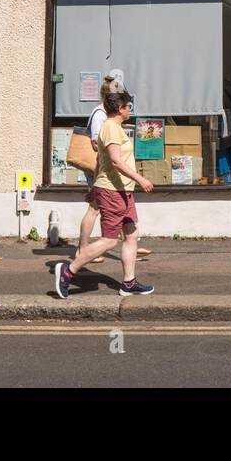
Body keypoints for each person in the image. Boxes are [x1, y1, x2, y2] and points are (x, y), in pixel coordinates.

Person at [54, 90, 155, 297]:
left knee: (131, 234)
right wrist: (141, 179)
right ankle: (68, 271)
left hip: (121, 190)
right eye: (128, 107)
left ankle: (129, 283)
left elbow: (101, 160)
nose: (130, 110)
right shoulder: (110, 128)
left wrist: (94, 189)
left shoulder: (114, 128)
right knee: (110, 241)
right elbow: (116, 161)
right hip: (113, 190)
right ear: (120, 109)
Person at [78, 70, 152, 262]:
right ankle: (83, 252)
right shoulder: (102, 117)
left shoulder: (109, 120)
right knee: (94, 212)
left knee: (108, 216)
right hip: (105, 174)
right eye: (126, 104)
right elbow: (99, 145)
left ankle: (128, 244)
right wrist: (112, 146)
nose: (129, 108)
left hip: (106, 173)